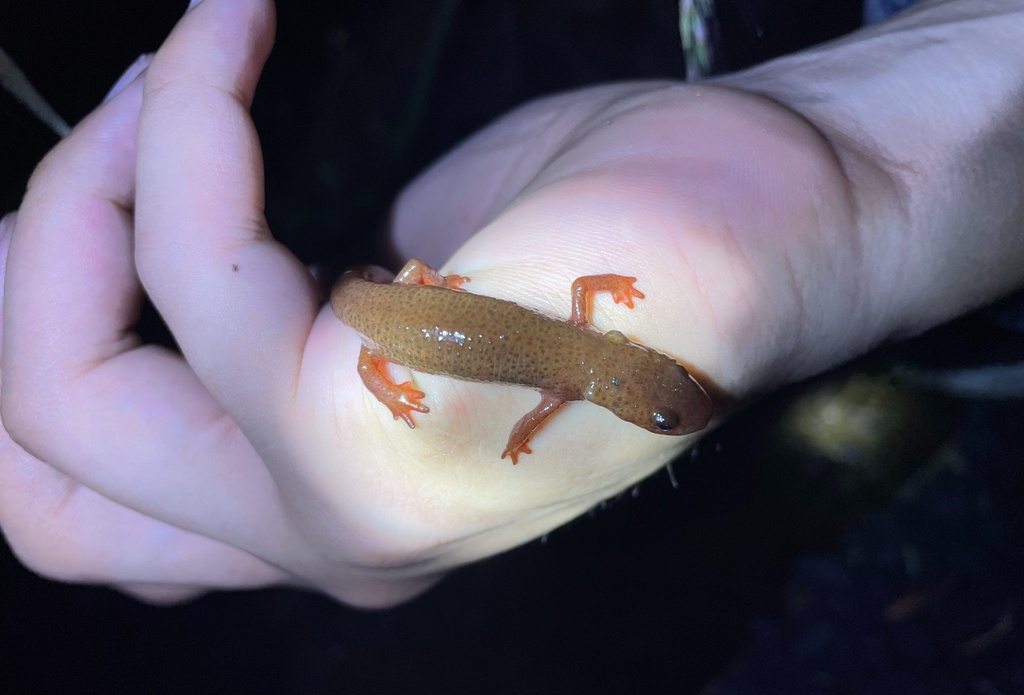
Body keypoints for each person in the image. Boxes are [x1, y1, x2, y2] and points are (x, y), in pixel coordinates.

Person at [0, 0, 1020, 607]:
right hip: (384, 313)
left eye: (666, 396)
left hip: (403, 301)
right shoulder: (576, 362)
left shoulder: (578, 361)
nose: (672, 395)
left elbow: (568, 329)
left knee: (384, 296)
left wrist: (866, 190)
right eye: (667, 397)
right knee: (373, 306)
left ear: (631, 383)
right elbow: (558, 328)